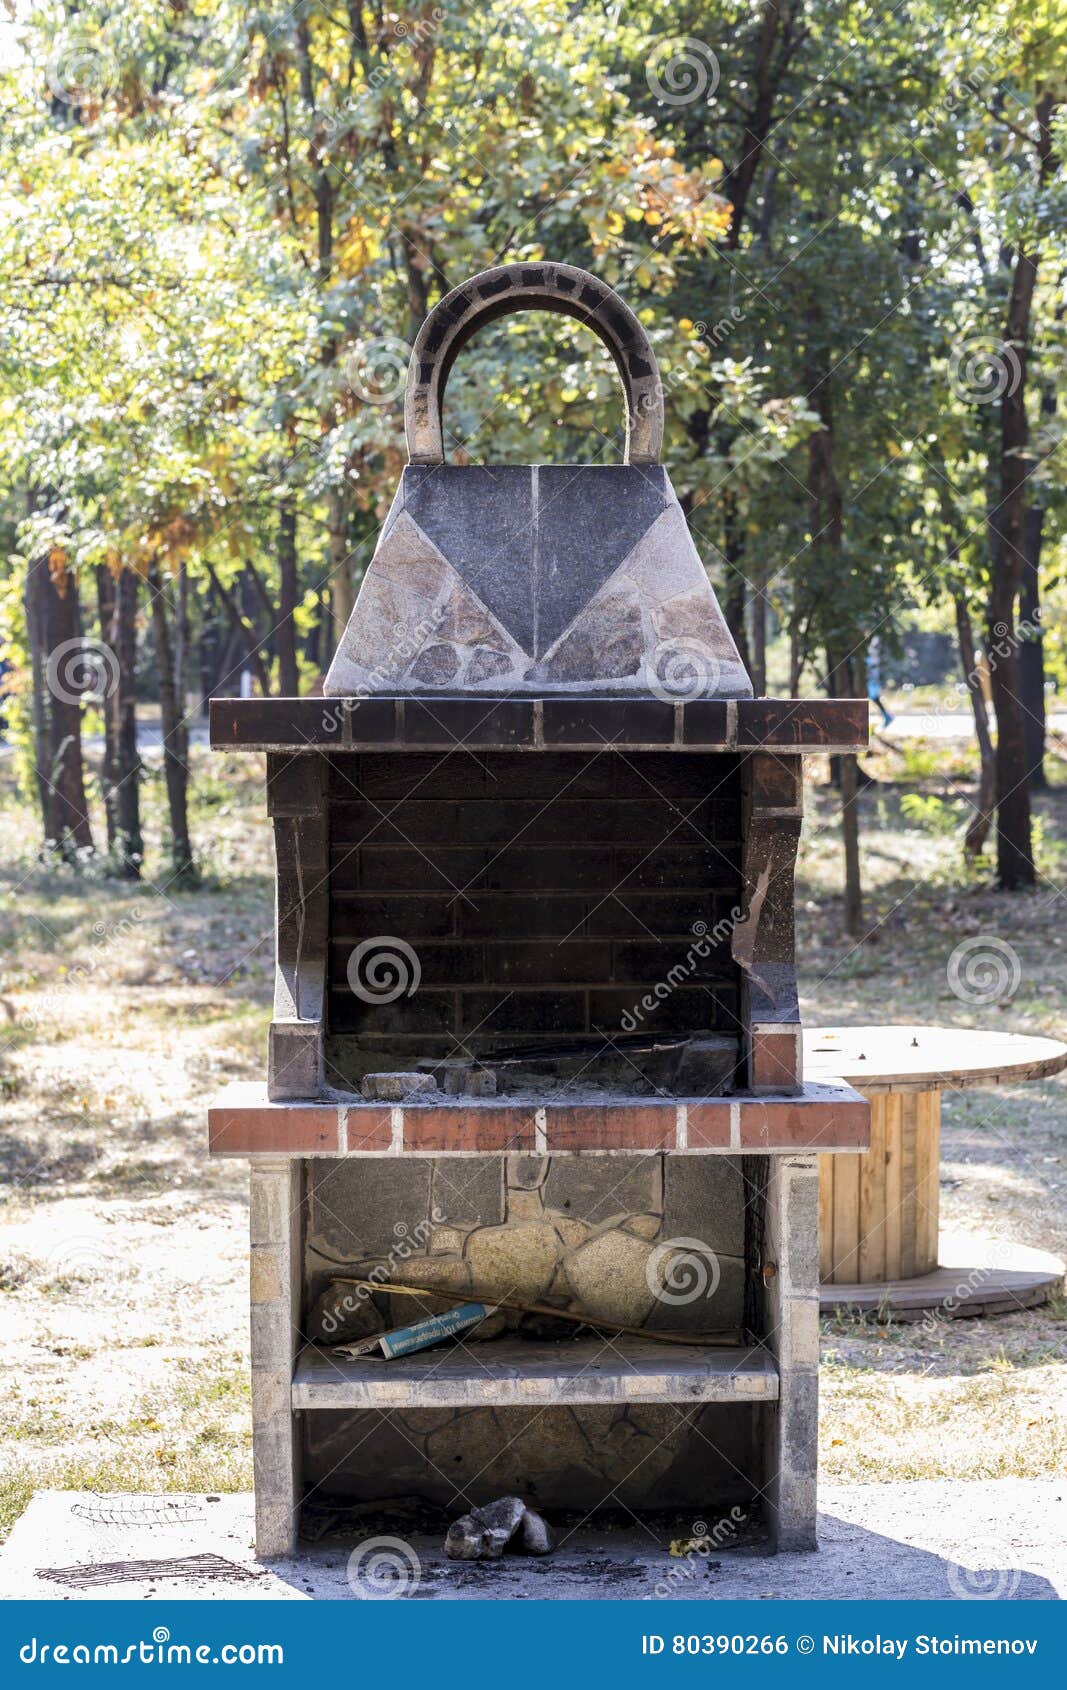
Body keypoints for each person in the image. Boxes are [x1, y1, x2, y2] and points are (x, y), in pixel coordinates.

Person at [866, 636, 893, 728]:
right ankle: (886, 716)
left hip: (871, 681)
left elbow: (870, 670)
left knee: (875, 699)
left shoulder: (872, 654)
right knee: (875, 699)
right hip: (872, 681)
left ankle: (887, 716)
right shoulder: (872, 653)